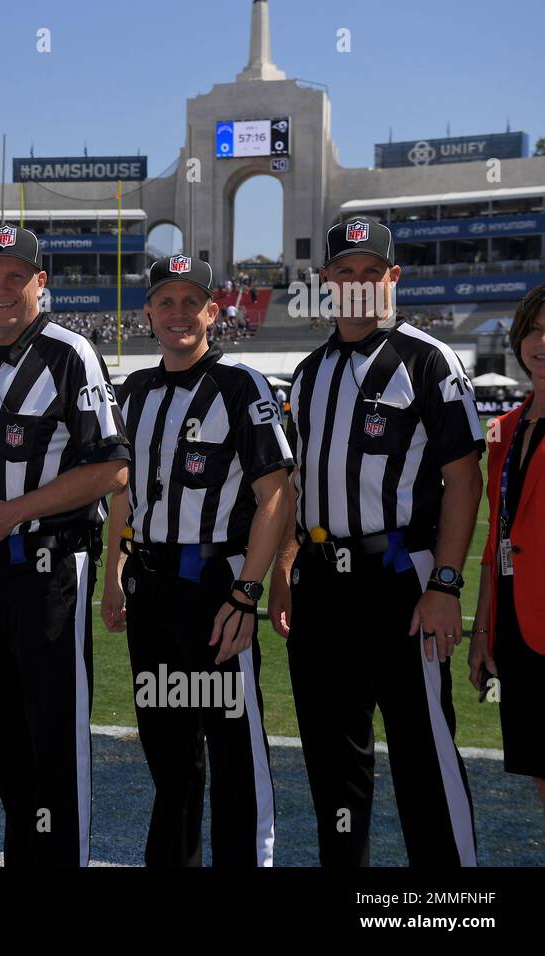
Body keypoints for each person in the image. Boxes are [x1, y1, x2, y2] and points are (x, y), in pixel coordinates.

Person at [267, 219, 483, 866]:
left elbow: (464, 481)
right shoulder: (307, 374)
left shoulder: (427, 360)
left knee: (423, 757)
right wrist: (283, 570)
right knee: (334, 765)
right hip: (321, 586)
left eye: (371, 272)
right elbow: (297, 482)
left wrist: (446, 583)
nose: (357, 284)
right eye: (345, 272)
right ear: (327, 280)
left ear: (393, 278)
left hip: (400, 577)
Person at [0, 225, 130, 866]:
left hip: (51, 570)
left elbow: (111, 469)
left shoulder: (70, 353)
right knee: (4, 737)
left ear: (39, 283)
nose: (1, 287)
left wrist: (13, 512)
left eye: (15, 275)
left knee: (55, 743)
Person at [101, 255, 292, 866]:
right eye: (165, 301)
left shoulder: (240, 385)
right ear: (148, 313)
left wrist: (246, 592)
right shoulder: (133, 391)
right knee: (169, 755)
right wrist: (114, 578)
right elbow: (123, 494)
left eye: (192, 301)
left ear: (214, 310)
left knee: (235, 753)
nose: (178, 313)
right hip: (152, 591)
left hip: (214, 589)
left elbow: (277, 493)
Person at [469, 284, 545, 812]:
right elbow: (498, 538)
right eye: (534, 329)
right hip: (518, 628)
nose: (542, 340)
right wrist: (483, 633)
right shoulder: (506, 431)